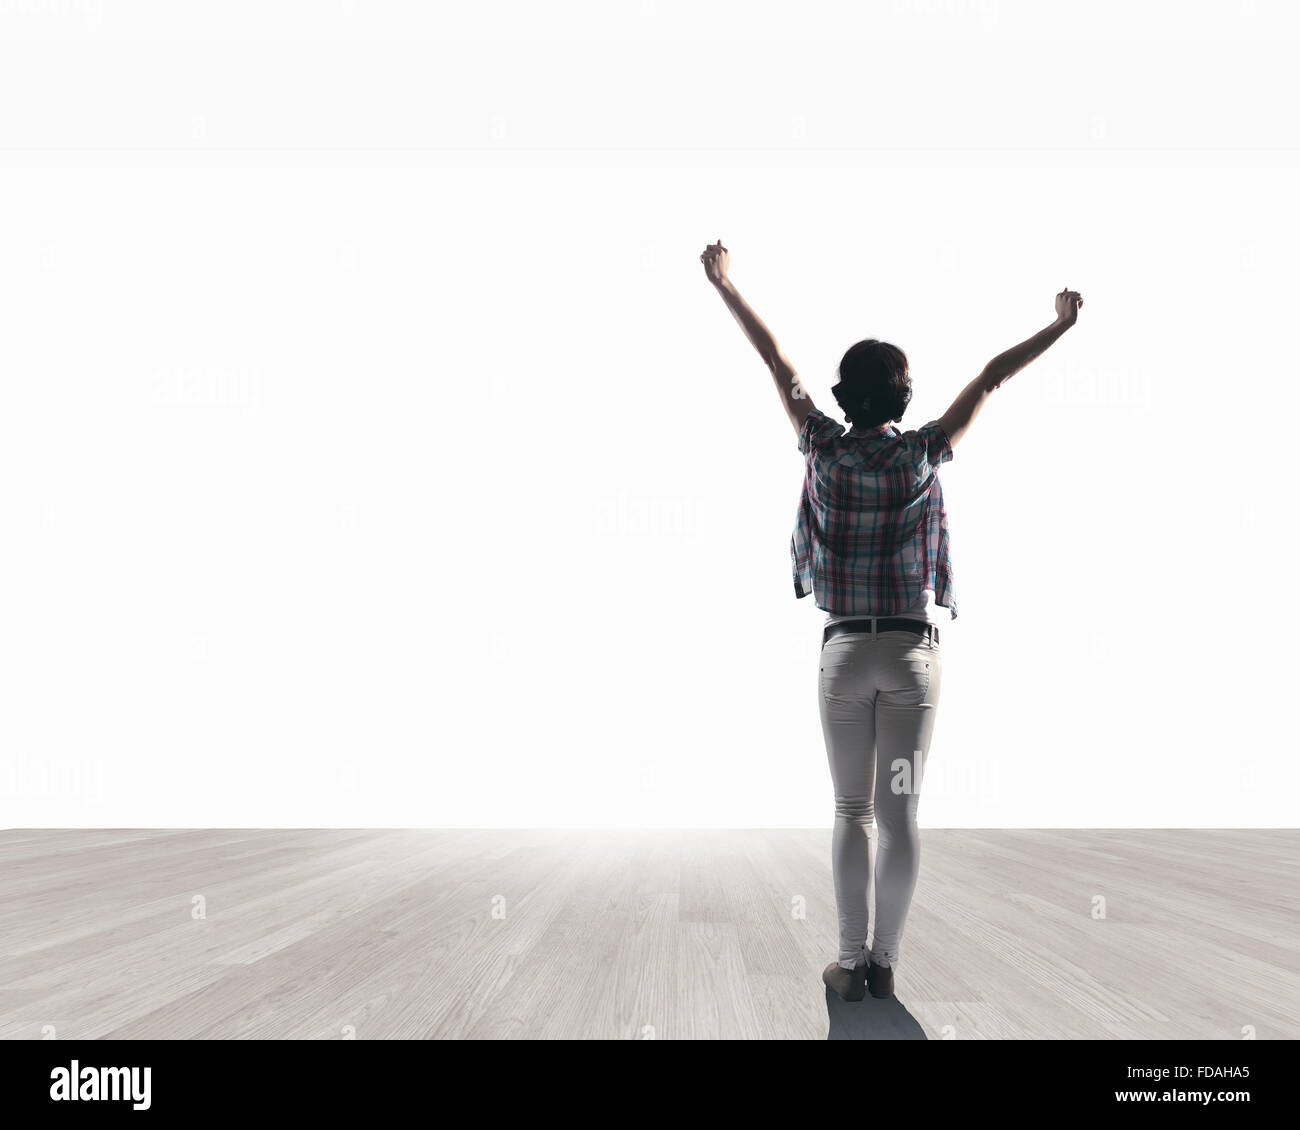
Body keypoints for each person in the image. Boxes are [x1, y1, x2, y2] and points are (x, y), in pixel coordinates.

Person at [700, 238, 1083, 1001]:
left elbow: (776, 362)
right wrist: (1061, 326)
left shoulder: (821, 448)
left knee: (851, 810)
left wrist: (724, 282)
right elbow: (992, 379)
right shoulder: (922, 455)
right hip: (911, 662)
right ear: (903, 400)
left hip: (844, 659)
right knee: (900, 814)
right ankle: (886, 964)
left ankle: (848, 960)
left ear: (844, 397)